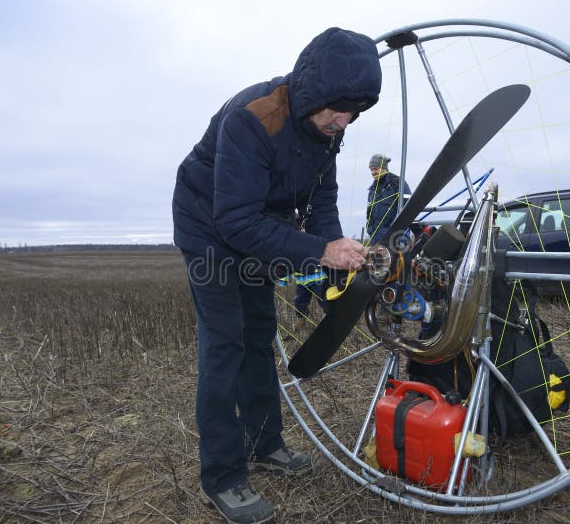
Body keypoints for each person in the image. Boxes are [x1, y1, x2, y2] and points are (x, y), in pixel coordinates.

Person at [172, 27, 381, 524]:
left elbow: (322, 202)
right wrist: (318, 250)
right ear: (314, 90)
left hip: (258, 228)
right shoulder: (254, 118)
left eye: (354, 112)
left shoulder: (328, 128)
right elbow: (234, 221)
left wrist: (333, 261)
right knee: (226, 345)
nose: (344, 120)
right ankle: (223, 477)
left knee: (260, 336)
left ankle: (266, 444)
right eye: (338, 109)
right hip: (211, 230)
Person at [365, 154, 411, 245]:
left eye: (376, 169)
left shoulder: (398, 183)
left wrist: (394, 230)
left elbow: (409, 208)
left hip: (396, 239)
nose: (373, 172)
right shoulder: (372, 190)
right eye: (371, 169)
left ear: (384, 168)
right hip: (375, 240)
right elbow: (369, 214)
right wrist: (370, 229)